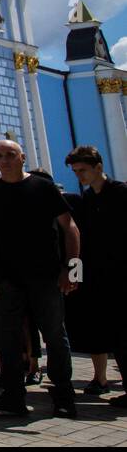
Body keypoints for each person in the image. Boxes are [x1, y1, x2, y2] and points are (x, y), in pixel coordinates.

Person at [0, 140, 79, 418]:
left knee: (55, 335)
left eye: (10, 155)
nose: (5, 160)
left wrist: (73, 269)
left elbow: (69, 226)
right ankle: (13, 395)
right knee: (8, 338)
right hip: (6, 278)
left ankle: (64, 396)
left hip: (45, 276)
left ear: (22, 157)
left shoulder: (42, 187)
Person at [64, 146, 127, 404]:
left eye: (83, 170)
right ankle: (104, 380)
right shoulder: (87, 199)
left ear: (98, 167)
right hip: (100, 277)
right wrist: (75, 274)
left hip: (122, 274)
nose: (80, 176)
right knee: (112, 333)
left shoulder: (121, 193)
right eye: (76, 171)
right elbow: (82, 242)